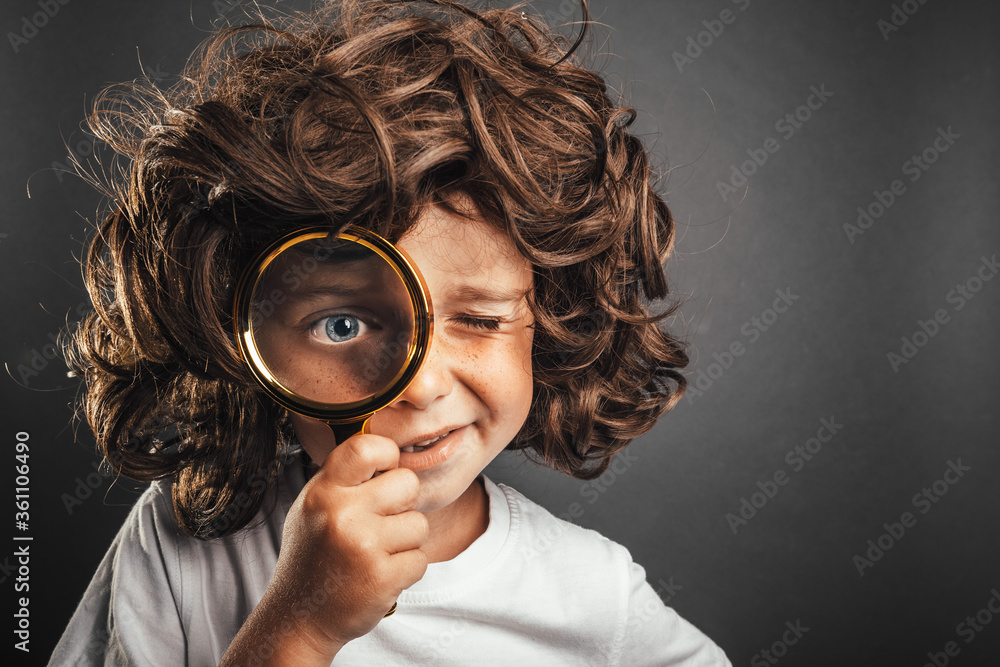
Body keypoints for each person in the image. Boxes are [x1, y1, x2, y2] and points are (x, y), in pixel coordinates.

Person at [50, 0, 731, 664]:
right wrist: (298, 628)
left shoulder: (594, 597)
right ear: (244, 342)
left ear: (547, 321)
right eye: (341, 324)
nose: (423, 384)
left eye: (479, 318)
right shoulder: (179, 542)